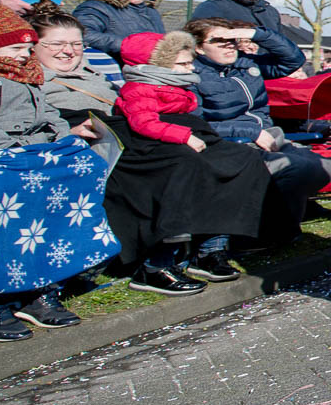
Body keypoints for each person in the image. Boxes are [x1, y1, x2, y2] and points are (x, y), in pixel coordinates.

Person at [0, 0, 114, 339]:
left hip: (32, 152)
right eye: (15, 48)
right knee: (2, 194)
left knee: (82, 169)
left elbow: (49, 114)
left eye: (28, 48)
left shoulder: (28, 75)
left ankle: (42, 283)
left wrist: (63, 138)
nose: (25, 55)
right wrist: (7, 148)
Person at [111, 30, 284, 293]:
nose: (191, 68)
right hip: (157, 146)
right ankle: (156, 265)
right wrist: (184, 136)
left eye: (189, 62)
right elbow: (144, 123)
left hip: (185, 135)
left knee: (243, 159)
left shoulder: (175, 85)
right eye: (182, 64)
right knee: (191, 170)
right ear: (157, 65)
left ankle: (212, 249)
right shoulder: (141, 89)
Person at [186, 18, 330, 277]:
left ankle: (272, 231)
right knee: (292, 169)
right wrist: (251, 132)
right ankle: (242, 238)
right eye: (219, 41)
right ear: (198, 47)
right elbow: (195, 124)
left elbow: (293, 60)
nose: (229, 46)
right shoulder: (193, 76)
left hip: (267, 135)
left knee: (324, 167)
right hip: (230, 142)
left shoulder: (246, 65)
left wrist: (253, 33)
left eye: (232, 40)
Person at [74, 0, 165, 59]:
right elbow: (81, 35)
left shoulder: (151, 12)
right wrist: (128, 45)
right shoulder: (95, 8)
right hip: (112, 66)